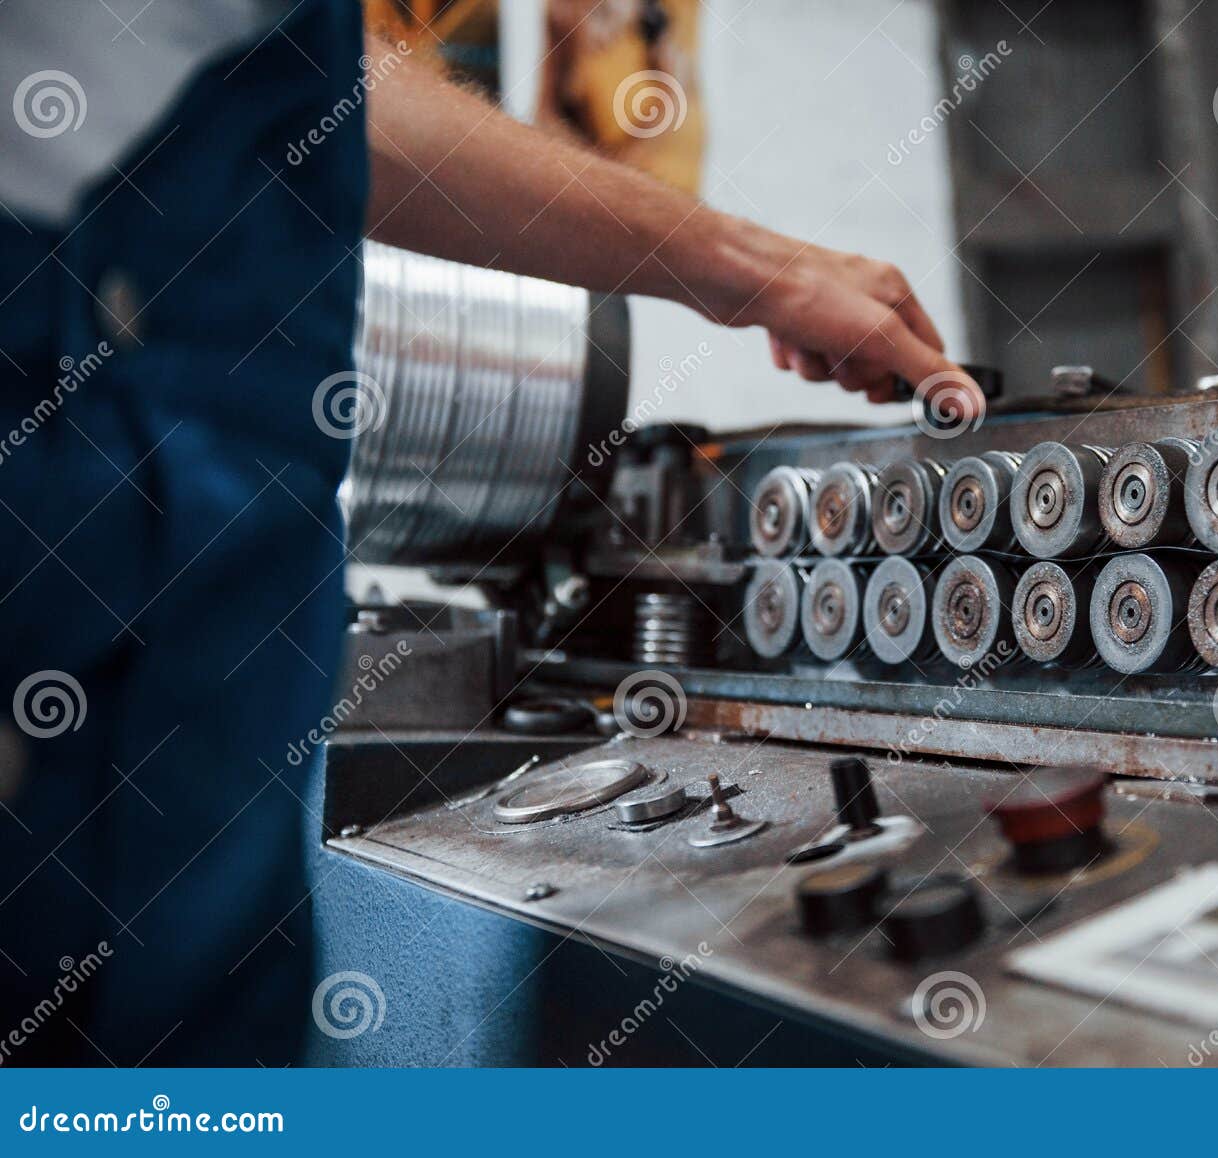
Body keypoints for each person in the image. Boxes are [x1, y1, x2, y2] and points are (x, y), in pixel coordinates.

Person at [0, 2, 981, 1064]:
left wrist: (762, 272)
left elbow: (324, 103)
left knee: (198, 1008)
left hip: (203, 533)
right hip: (90, 467)